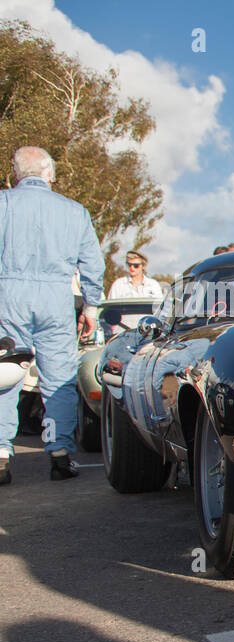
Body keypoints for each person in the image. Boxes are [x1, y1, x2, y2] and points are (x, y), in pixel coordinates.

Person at [0, 146, 104, 484]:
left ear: (15, 174)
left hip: (8, 297)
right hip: (56, 299)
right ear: (50, 174)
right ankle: (59, 454)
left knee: (5, 376)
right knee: (58, 380)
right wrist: (90, 308)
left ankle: (0, 454)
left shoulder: (2, 205)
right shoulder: (74, 212)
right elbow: (92, 265)